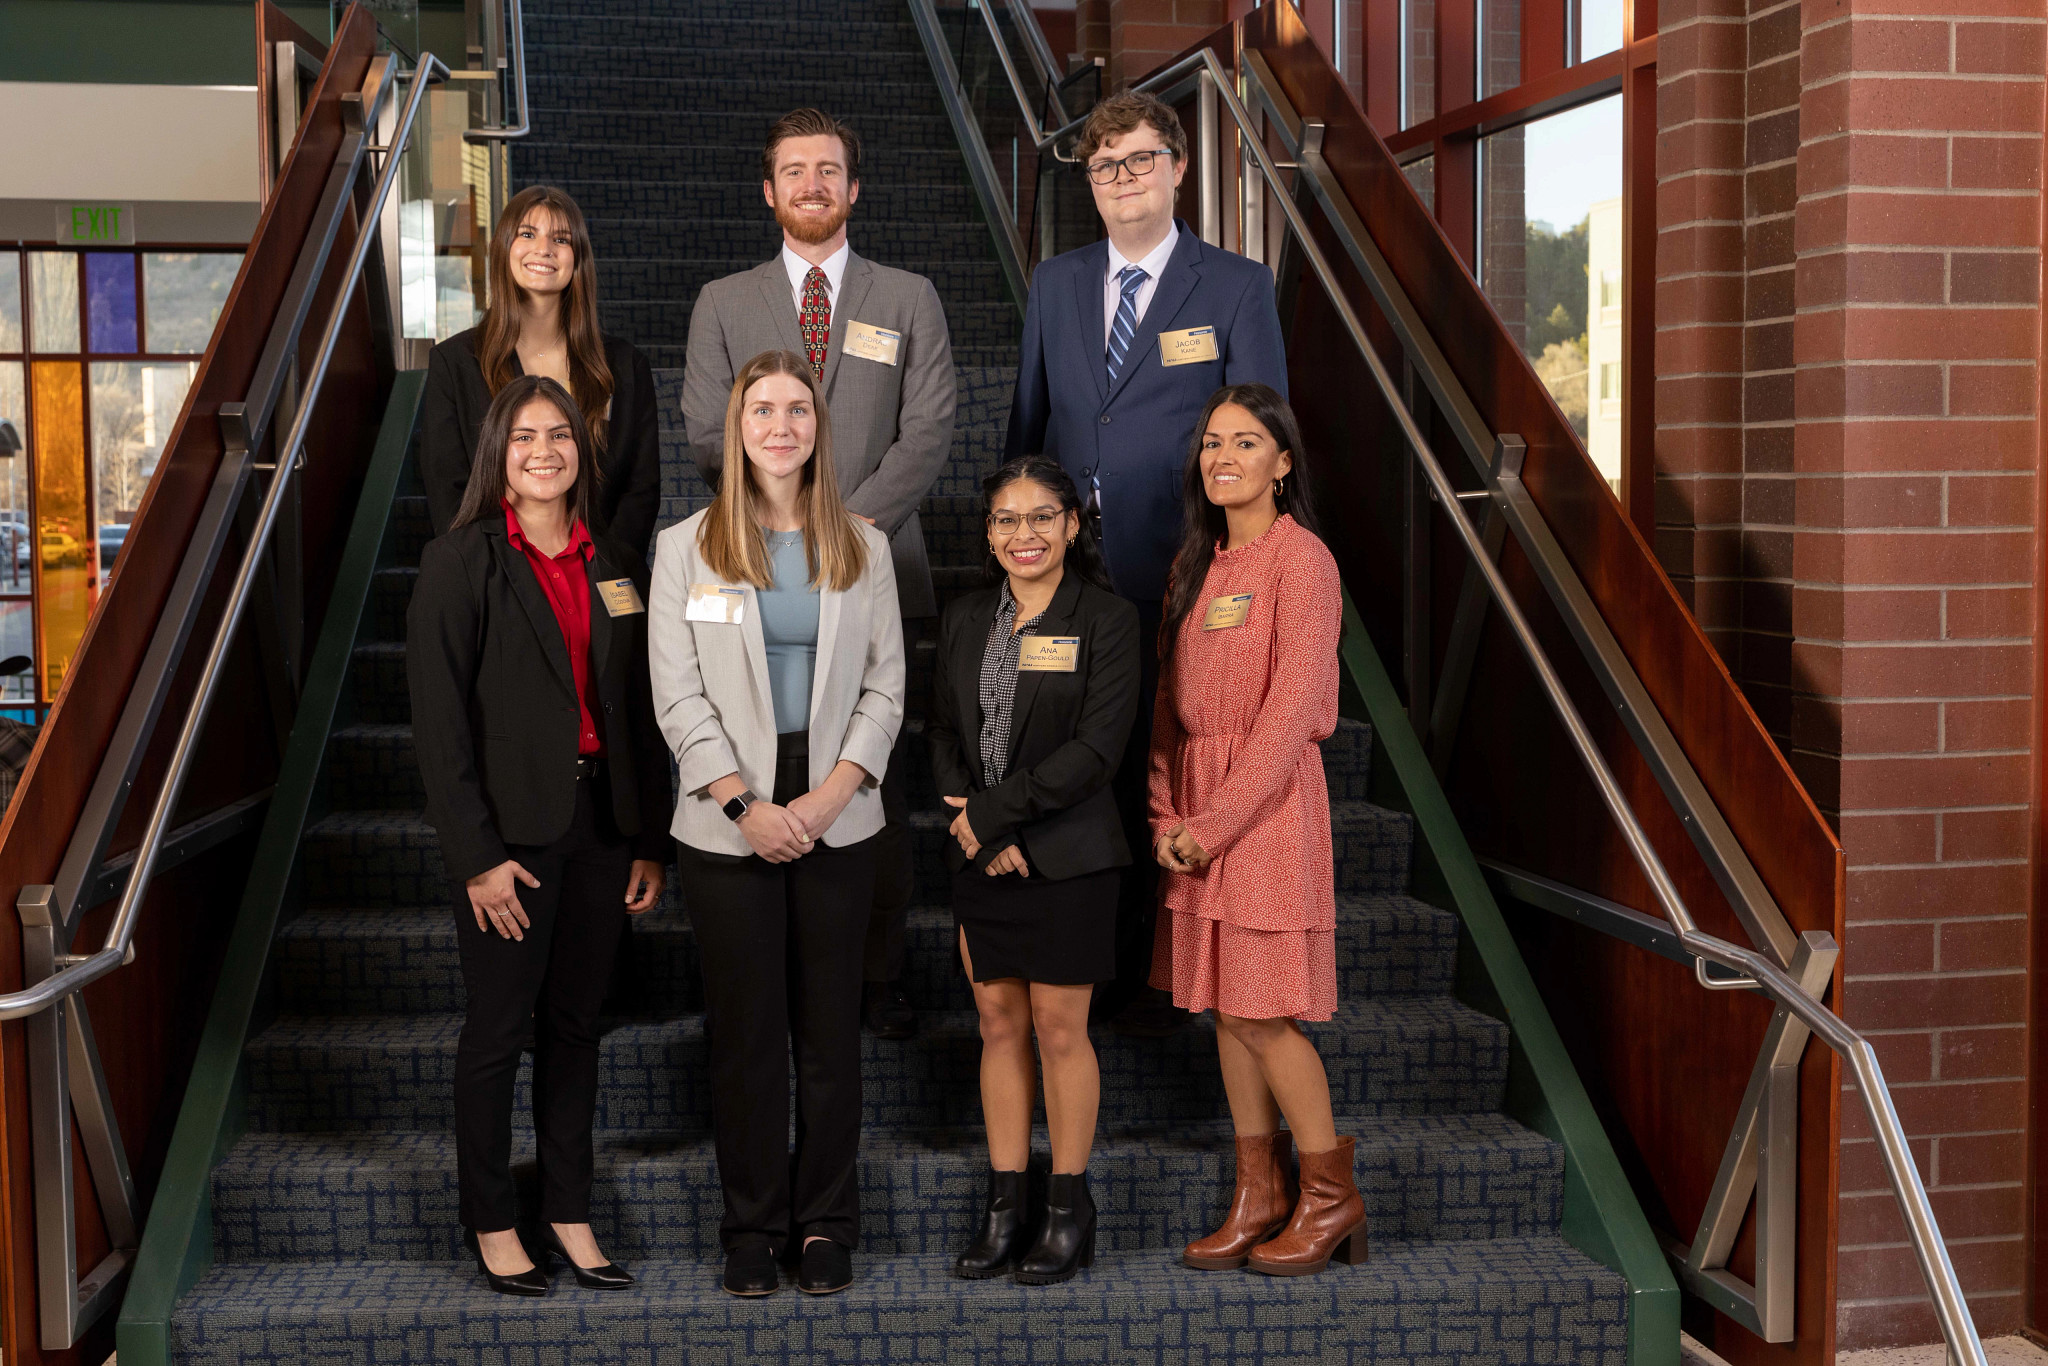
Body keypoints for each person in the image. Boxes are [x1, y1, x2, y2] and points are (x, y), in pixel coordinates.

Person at [1005, 89, 1290, 1037]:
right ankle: (1084, 958)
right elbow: (1029, 426)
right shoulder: (1055, 281)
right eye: (1103, 167)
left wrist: (1242, 565)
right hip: (1070, 578)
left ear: (1176, 166)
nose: (1121, 180)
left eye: (1137, 160)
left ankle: (1153, 970)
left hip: (1183, 575)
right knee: (1073, 762)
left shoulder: (1236, 286)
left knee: (1161, 768)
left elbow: (1256, 430)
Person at [681, 108, 954, 1041]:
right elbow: (700, 430)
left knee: (873, 789)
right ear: (769, 190)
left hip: (880, 572)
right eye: (793, 171)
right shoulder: (723, 300)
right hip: (748, 573)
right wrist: (786, 525)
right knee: (755, 757)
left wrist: (849, 534)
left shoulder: (908, 296)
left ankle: (873, 982)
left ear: (853, 187)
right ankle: (763, 976)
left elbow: (930, 431)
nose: (811, 185)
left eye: (828, 170)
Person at [407, 375, 673, 1296]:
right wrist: (476, 857)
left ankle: (569, 1208)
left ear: (581, 451)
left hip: (602, 826)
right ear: (498, 453)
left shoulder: (615, 563)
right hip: (508, 844)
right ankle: (491, 1219)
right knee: (494, 1033)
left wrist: (649, 839)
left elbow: (636, 709)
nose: (545, 451)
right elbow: (440, 730)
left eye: (560, 435)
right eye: (524, 437)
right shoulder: (462, 560)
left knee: (575, 1029)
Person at [650, 349, 904, 1298]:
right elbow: (675, 698)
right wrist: (744, 805)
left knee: (830, 1034)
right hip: (728, 819)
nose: (781, 426)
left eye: (798, 409)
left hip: (840, 806)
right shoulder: (686, 547)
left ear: (818, 427)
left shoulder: (863, 546)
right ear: (737, 427)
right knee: (748, 1034)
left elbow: (887, 683)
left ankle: (826, 1223)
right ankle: (752, 1225)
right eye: (763, 410)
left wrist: (834, 792)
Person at [1149, 383, 1366, 1277]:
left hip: (1266, 809)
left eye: (1246, 441)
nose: (1224, 456)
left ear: (1283, 463)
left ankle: (1330, 1197)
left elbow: (1287, 717)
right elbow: (1168, 706)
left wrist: (1217, 823)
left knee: (1261, 1012)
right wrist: (1168, 812)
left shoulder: (1301, 560)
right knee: (1223, 1019)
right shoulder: (1194, 566)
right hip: (1199, 804)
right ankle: (1259, 1194)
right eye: (1211, 442)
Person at [928, 456, 1140, 1285]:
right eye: (1007, 520)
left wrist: (991, 817)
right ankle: (1005, 1203)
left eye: (1042, 517)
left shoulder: (1109, 619)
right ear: (989, 534)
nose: (1025, 535)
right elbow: (942, 729)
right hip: (981, 856)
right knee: (997, 1026)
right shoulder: (967, 615)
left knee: (1059, 1030)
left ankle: (1066, 1205)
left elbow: (1096, 752)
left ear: (1073, 526)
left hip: (1071, 856)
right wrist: (973, 826)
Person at [420, 185, 662, 558]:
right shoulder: (454, 363)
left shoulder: (625, 365)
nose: (543, 249)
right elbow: (447, 490)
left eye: (561, 239)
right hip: (493, 577)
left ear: (577, 256)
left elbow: (640, 489)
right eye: (527, 234)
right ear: (504, 247)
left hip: (599, 572)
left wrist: (604, 566)